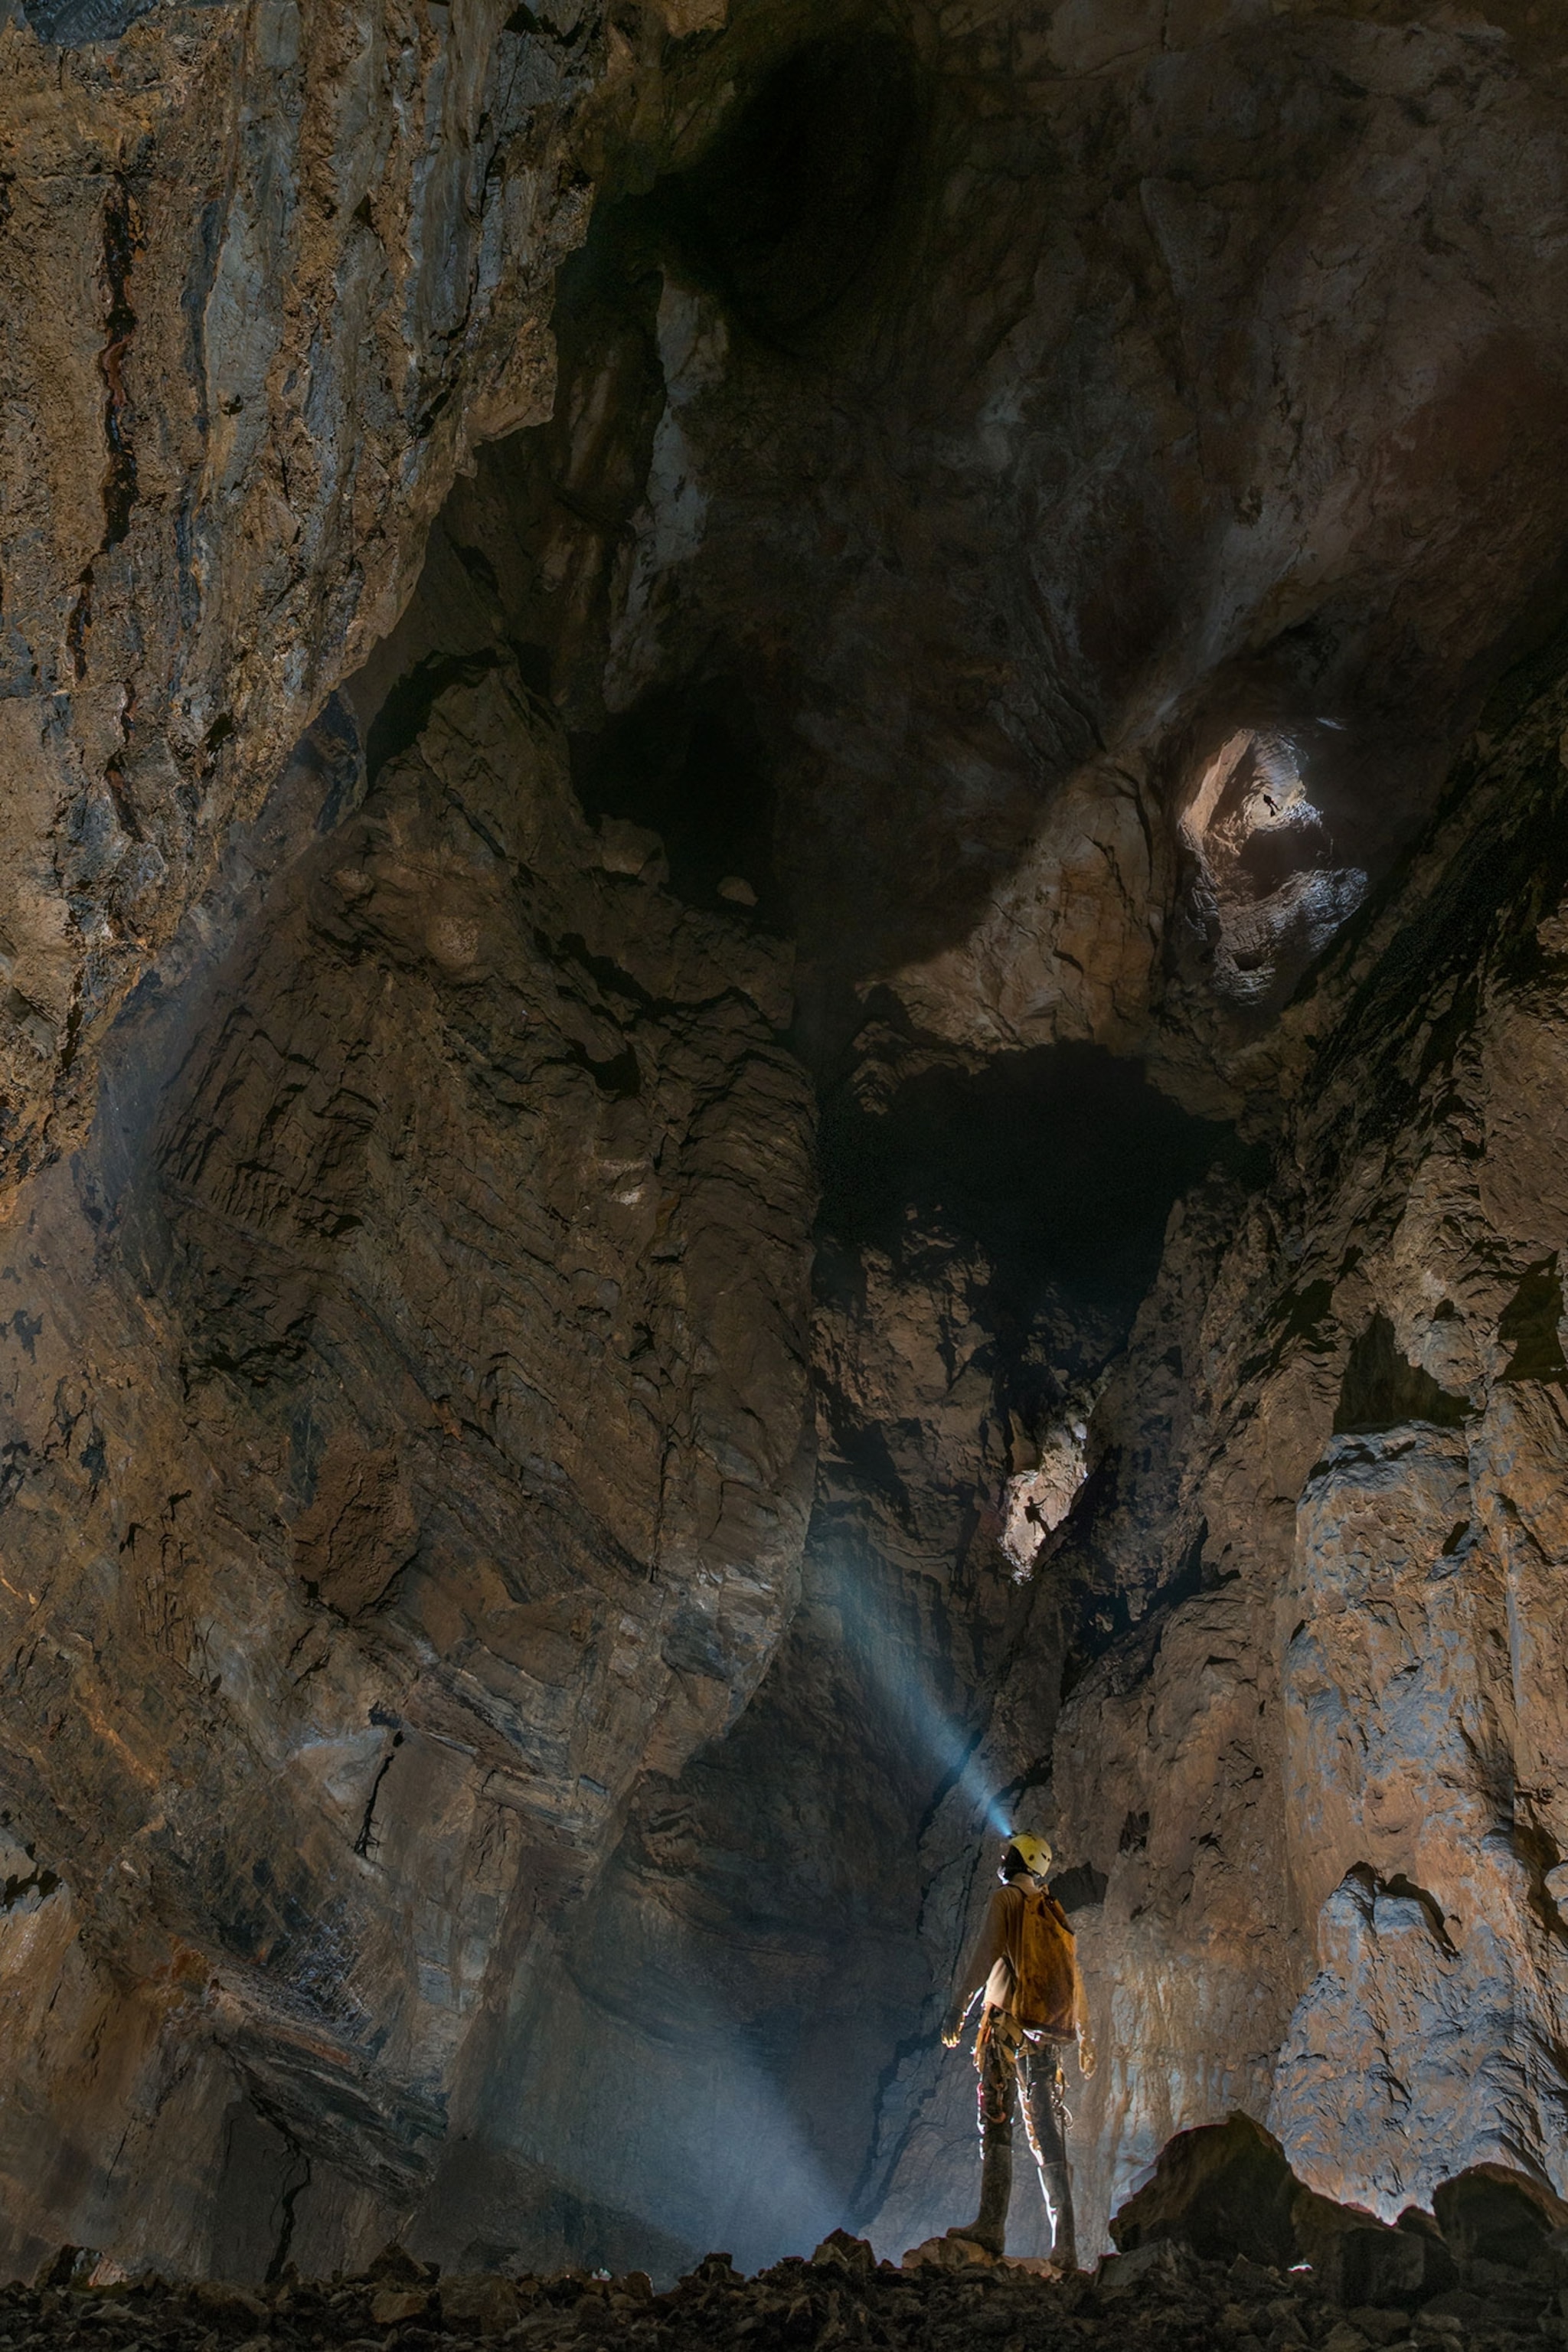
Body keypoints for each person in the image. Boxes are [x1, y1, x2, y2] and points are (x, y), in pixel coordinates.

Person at [941, 1832, 1093, 2265]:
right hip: (1042, 2032)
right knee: (1046, 2131)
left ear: (1022, 1859)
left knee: (996, 2116)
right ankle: (1065, 2245)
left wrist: (958, 2006)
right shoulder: (1052, 1909)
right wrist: (1086, 2033)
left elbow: (986, 1954)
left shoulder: (1007, 1900)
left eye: (1008, 1852)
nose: (1002, 1857)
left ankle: (991, 2224)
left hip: (1004, 2025)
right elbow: (1072, 1975)